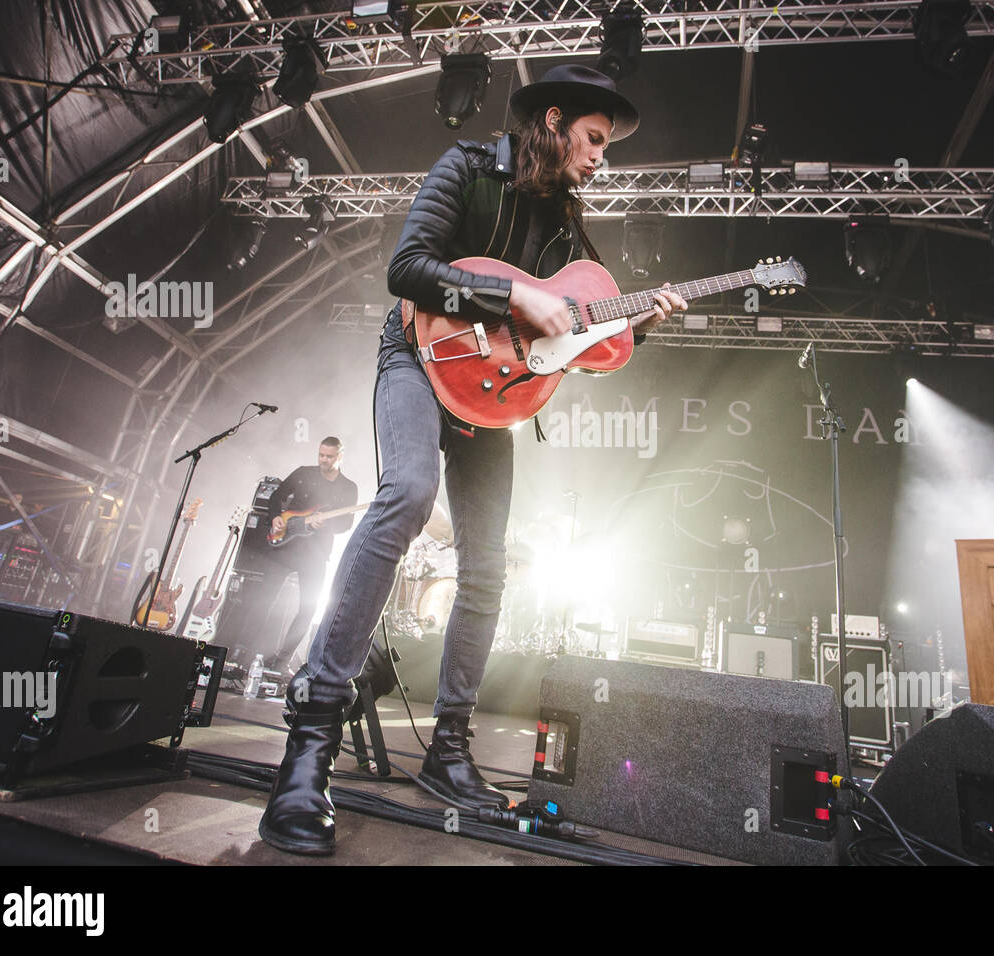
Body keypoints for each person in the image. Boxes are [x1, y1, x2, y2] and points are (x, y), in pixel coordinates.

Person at [259, 64, 687, 856]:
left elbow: (574, 344)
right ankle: (310, 738)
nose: (601, 157)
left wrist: (643, 323)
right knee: (409, 494)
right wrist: (513, 298)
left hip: (496, 398)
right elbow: (407, 269)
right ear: (554, 122)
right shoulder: (466, 167)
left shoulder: (567, 231)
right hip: (418, 363)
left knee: (488, 567)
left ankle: (448, 751)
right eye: (594, 139)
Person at [236, 438, 358, 673]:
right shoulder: (304, 473)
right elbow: (276, 497)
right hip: (284, 548)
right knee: (263, 600)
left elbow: (346, 523)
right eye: (321, 455)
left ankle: (280, 661)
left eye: (329, 456)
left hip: (316, 553)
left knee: (307, 608)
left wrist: (326, 525)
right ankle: (242, 653)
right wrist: (275, 517)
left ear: (340, 457)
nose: (324, 460)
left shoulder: (348, 488)